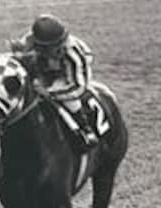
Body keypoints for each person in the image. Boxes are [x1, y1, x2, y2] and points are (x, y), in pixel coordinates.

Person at [12, 13, 103, 144]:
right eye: (51, 47)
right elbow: (21, 57)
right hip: (44, 64)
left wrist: (49, 93)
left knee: (70, 101)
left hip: (69, 72)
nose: (57, 48)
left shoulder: (72, 54)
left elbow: (78, 87)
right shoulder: (29, 40)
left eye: (58, 44)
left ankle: (85, 128)